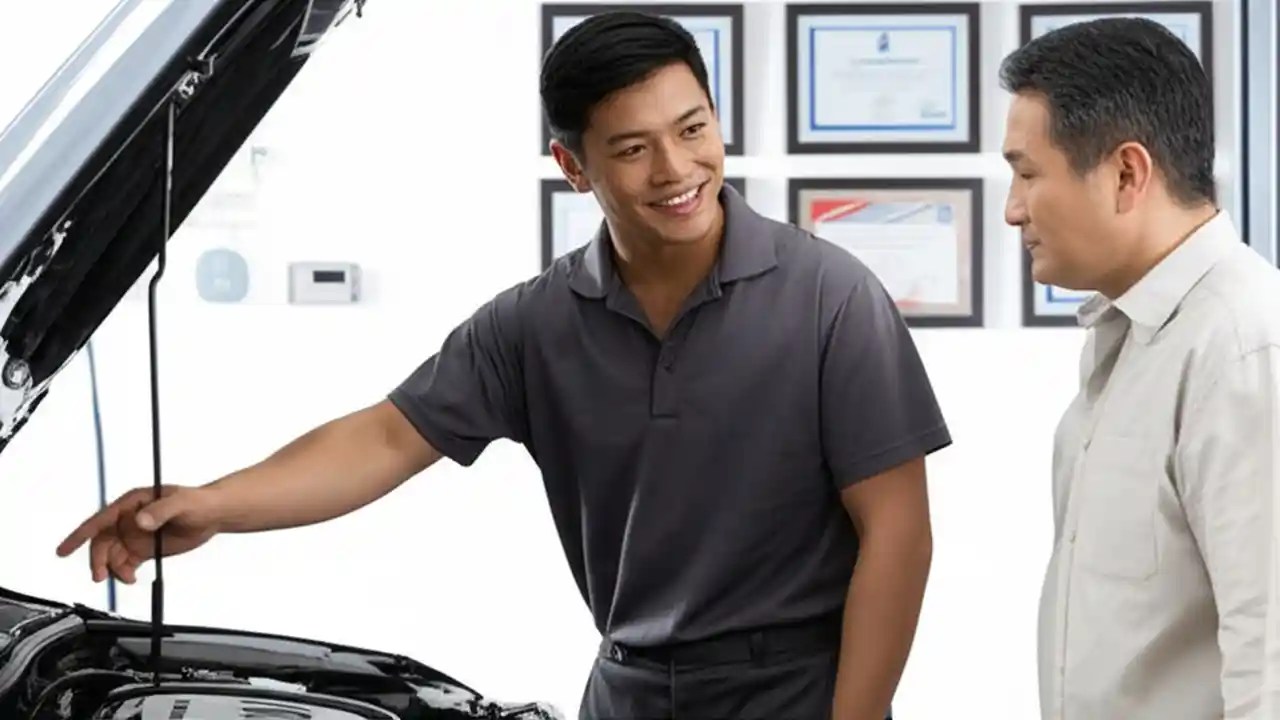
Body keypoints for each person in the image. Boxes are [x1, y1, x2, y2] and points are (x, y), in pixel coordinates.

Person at [57, 11, 950, 720]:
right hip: (627, 691)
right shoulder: (534, 324)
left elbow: (898, 534)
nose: (677, 168)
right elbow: (383, 437)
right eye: (633, 148)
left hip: (794, 692)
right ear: (573, 166)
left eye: (693, 129)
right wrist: (214, 505)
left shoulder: (829, 296)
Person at [999, 16, 1280, 720]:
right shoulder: (1133, 336)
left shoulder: (1243, 346)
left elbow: (1269, 661)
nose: (1012, 211)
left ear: (1127, 173)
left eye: (1028, 174)